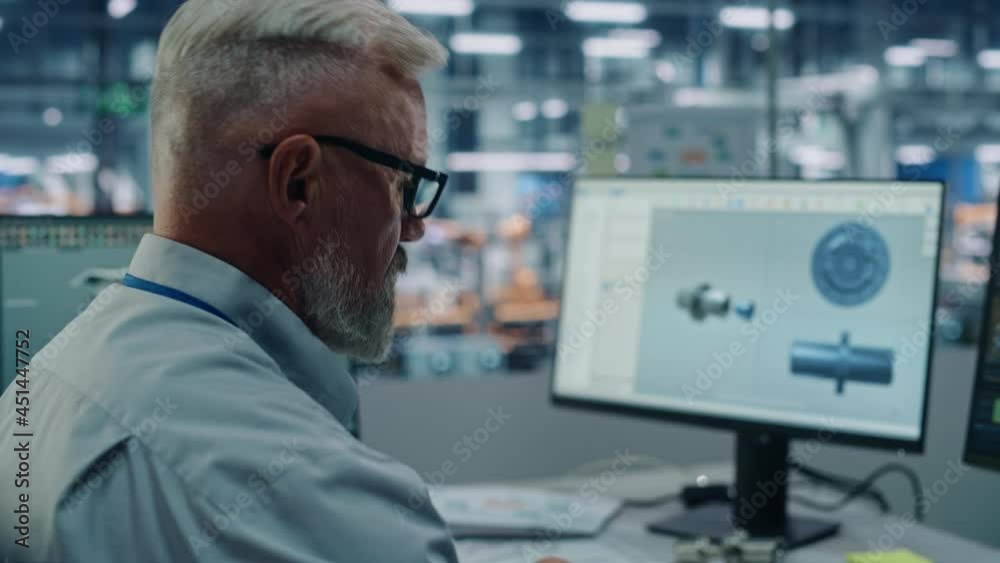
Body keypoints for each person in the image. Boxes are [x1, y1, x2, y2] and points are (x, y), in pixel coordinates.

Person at [1, 1, 480, 561]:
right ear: (298, 182)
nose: (415, 228)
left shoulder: (45, 384)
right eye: (404, 186)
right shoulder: (316, 492)